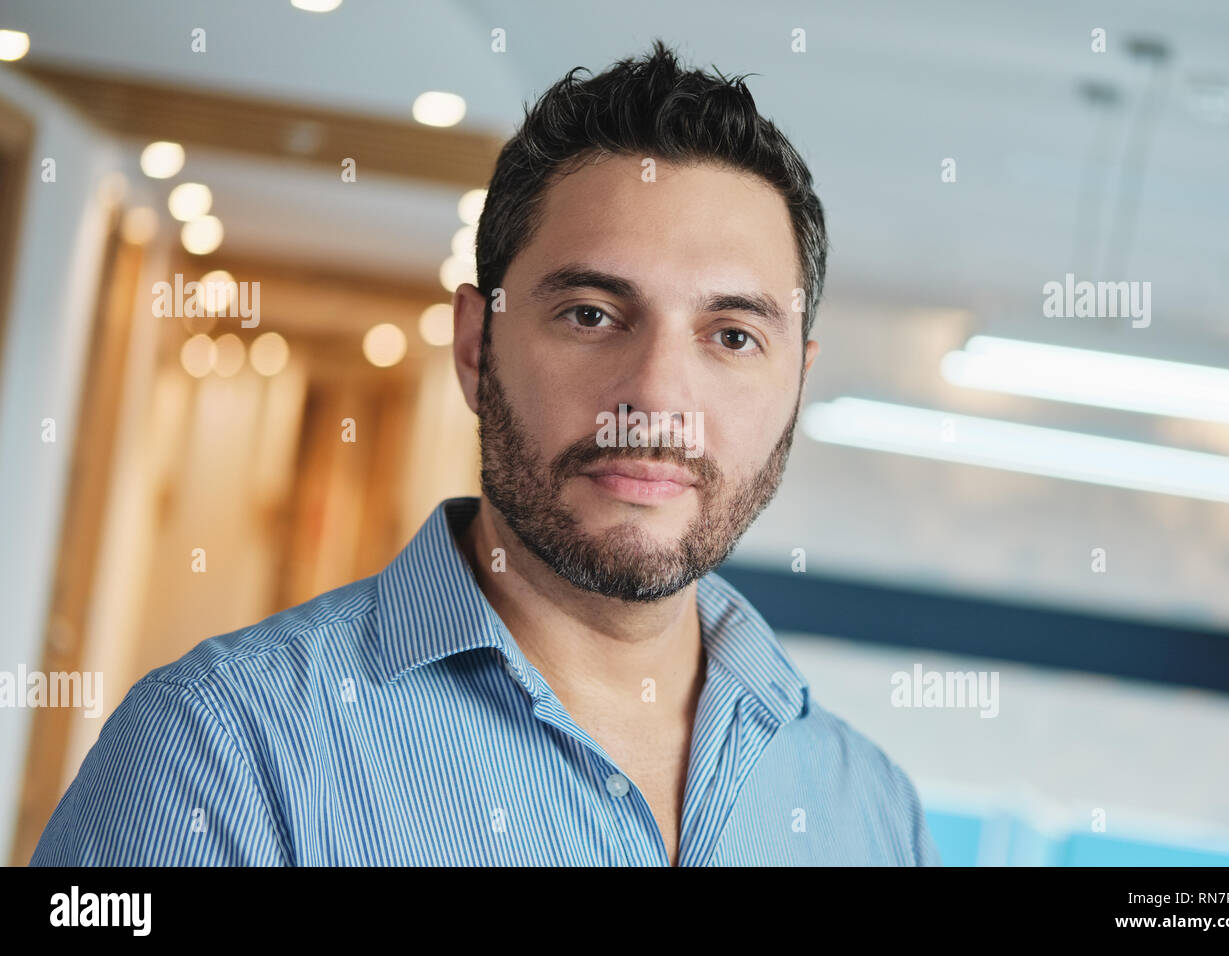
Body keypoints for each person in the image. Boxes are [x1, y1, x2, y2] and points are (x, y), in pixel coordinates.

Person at [32, 39, 940, 866]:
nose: (658, 399)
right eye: (591, 315)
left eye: (733, 335)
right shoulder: (221, 752)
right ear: (477, 346)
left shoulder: (872, 815)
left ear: (796, 384)